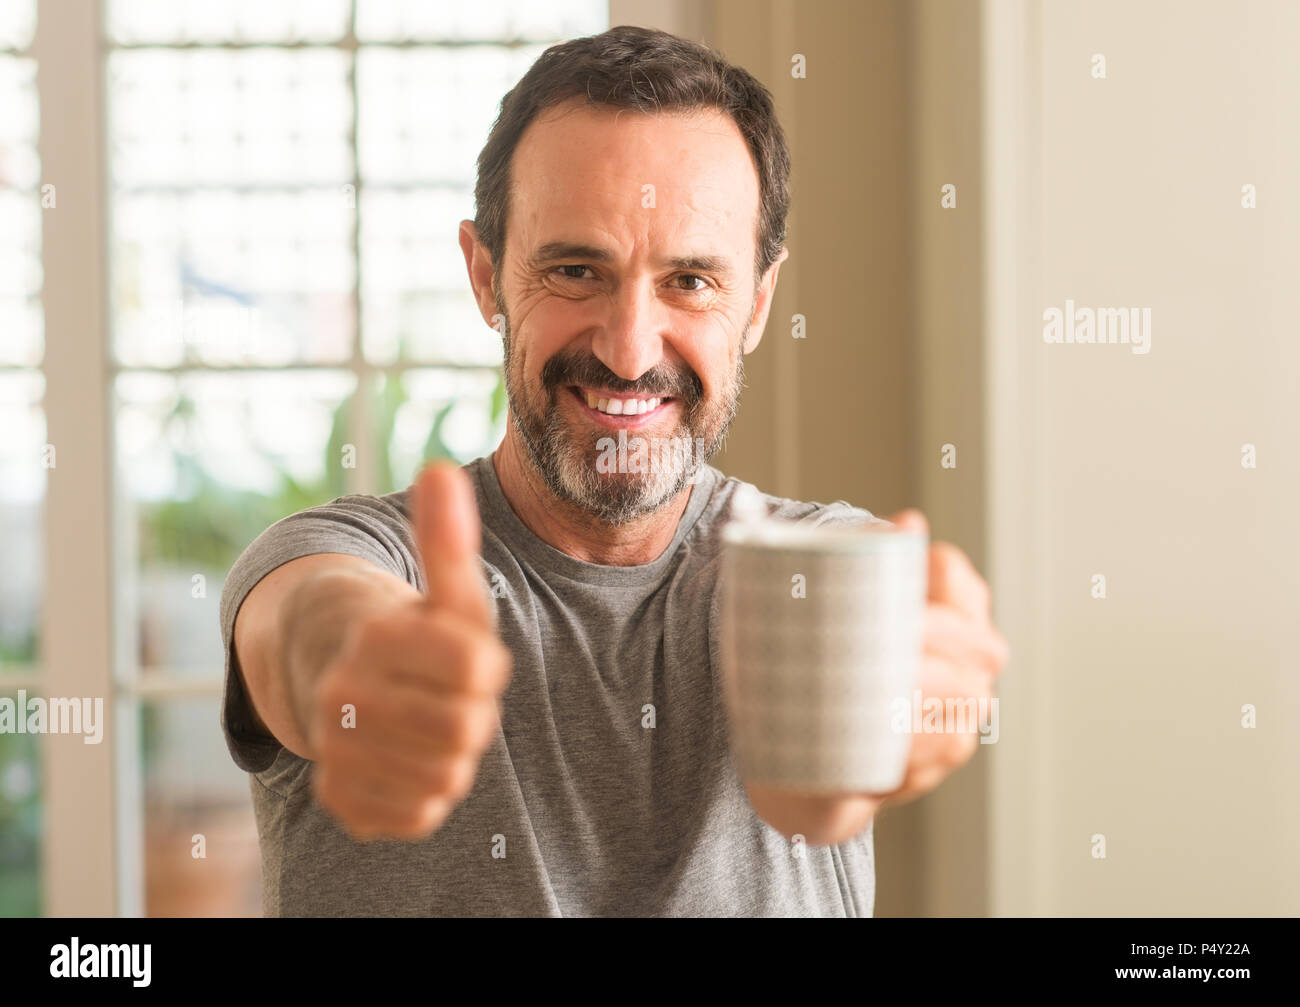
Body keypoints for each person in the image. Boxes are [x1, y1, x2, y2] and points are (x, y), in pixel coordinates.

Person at [219, 24, 1009, 917]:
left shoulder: (811, 560)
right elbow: (309, 628)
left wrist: (903, 687)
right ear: (486, 277)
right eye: (575, 270)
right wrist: (357, 675)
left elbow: (877, 615)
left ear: (758, 302)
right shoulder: (349, 554)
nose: (630, 351)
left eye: (691, 281)